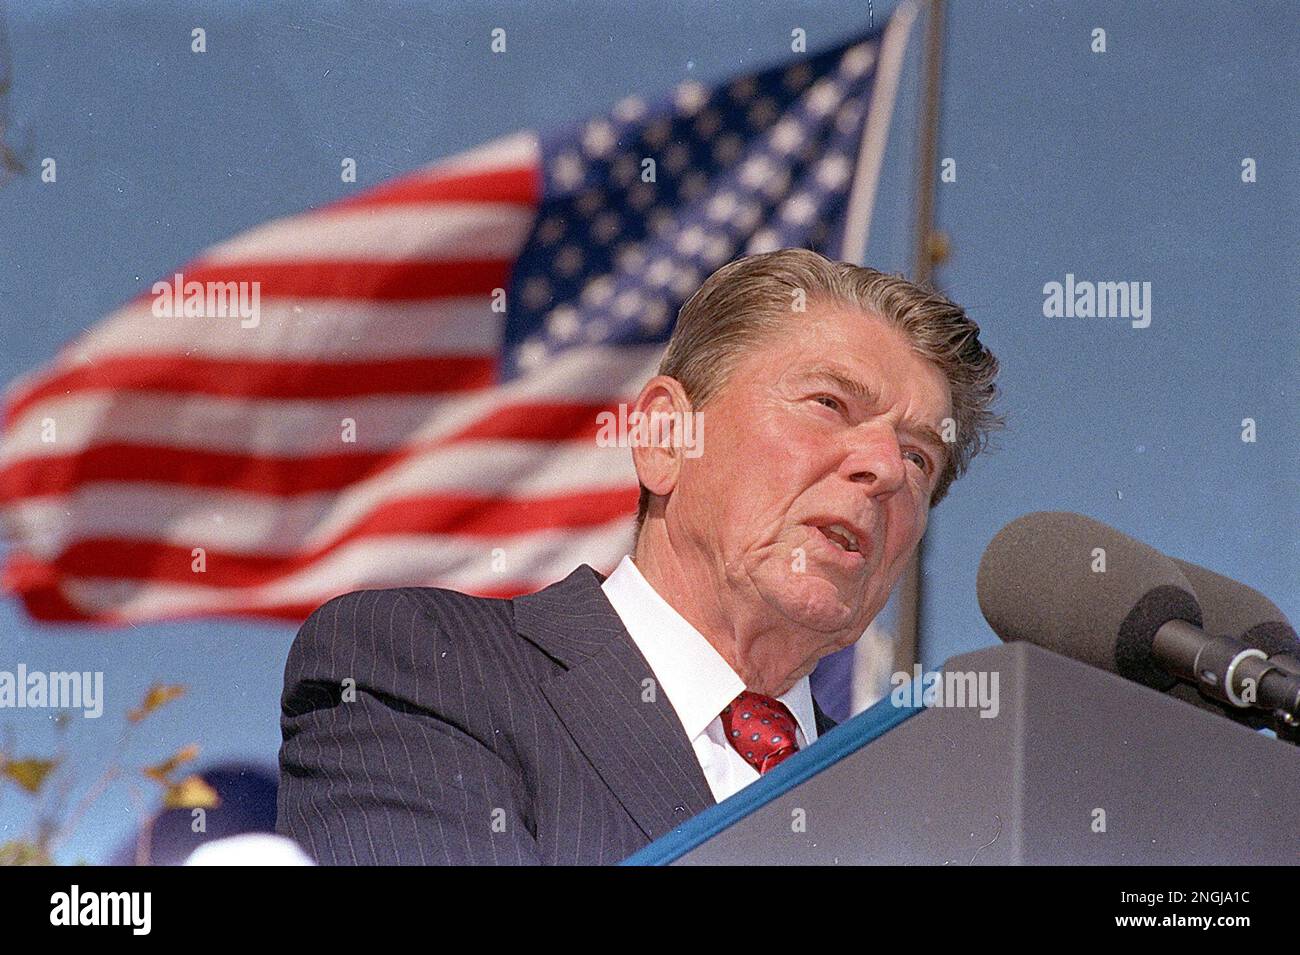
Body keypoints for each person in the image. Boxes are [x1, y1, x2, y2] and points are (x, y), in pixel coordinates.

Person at [276, 247, 1002, 864]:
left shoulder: (920, 822)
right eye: (829, 404)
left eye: (918, 457)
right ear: (664, 439)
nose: (883, 467)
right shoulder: (423, 669)